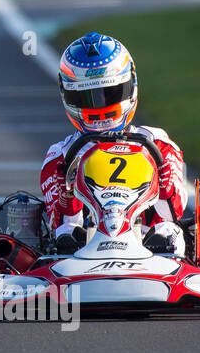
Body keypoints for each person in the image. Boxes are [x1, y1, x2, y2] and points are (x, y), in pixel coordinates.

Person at [39, 32, 188, 255]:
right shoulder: (60, 156)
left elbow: (171, 215)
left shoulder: (158, 144)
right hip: (85, 254)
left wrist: (166, 188)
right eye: (87, 97)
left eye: (109, 94)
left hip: (150, 249)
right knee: (66, 235)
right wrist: (65, 196)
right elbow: (63, 224)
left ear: (130, 85)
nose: (99, 106)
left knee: (168, 232)